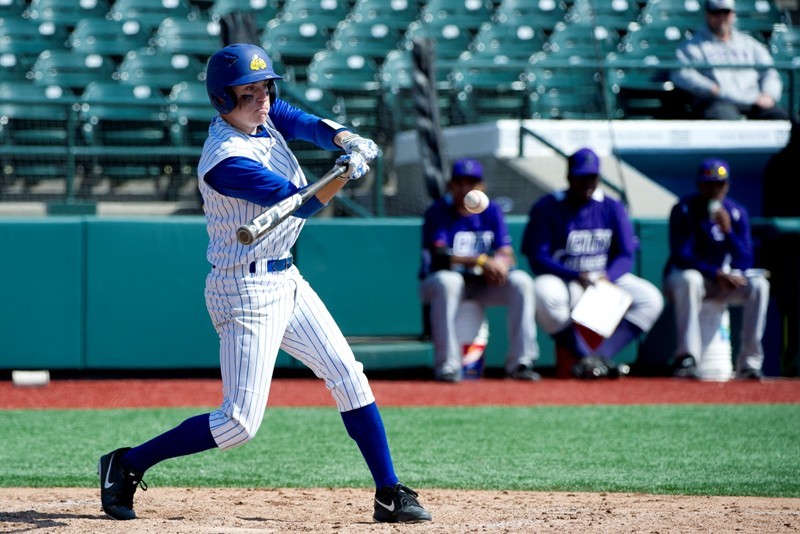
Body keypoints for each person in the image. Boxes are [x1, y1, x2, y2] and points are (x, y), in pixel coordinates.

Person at [97, 43, 431, 524]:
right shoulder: (224, 159)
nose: (262, 100)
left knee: (347, 373)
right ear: (221, 100)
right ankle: (127, 464)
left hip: (285, 276)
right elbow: (303, 203)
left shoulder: (264, 116)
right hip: (243, 291)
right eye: (248, 93)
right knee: (238, 424)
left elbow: (300, 120)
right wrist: (346, 176)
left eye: (264, 89)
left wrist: (344, 139)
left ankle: (388, 491)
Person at [521, 148, 664, 379]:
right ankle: (584, 355)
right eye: (581, 177)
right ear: (569, 177)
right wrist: (575, 275)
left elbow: (626, 254)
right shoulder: (548, 206)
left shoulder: (611, 206)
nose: (587, 183)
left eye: (592, 177)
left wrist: (607, 277)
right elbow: (537, 256)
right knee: (543, 292)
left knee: (650, 298)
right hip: (566, 278)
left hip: (602, 278)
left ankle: (598, 358)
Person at [419, 158, 541, 383]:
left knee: (521, 281)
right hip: (440, 284)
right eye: (460, 182)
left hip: (482, 285)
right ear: (450, 185)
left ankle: (521, 362)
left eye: (471, 182)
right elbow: (440, 256)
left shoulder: (491, 210)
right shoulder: (438, 211)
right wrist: (483, 261)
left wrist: (502, 263)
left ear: (481, 186)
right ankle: (448, 366)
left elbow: (506, 251)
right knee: (449, 282)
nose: (465, 188)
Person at [663, 157, 770, 379]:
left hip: (722, 281)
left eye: (719, 184)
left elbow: (745, 259)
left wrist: (728, 231)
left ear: (727, 186)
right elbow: (681, 255)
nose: (714, 190)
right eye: (708, 184)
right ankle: (687, 358)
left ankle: (750, 362)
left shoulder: (736, 212)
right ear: (699, 185)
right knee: (690, 279)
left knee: (759, 285)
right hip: (690, 281)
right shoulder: (684, 209)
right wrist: (715, 273)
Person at [671, 0, 790, 121]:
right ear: (707, 14)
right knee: (724, 117)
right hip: (718, 101)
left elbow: (770, 72)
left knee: (782, 117)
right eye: (716, 12)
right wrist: (710, 88)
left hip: (754, 100)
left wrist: (768, 94)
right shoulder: (693, 45)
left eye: (725, 12)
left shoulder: (749, 44)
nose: (721, 17)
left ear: (732, 14)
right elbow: (680, 73)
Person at [761, 116, 800, 376]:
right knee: (792, 311)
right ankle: (792, 367)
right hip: (789, 253)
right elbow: (772, 212)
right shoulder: (781, 164)